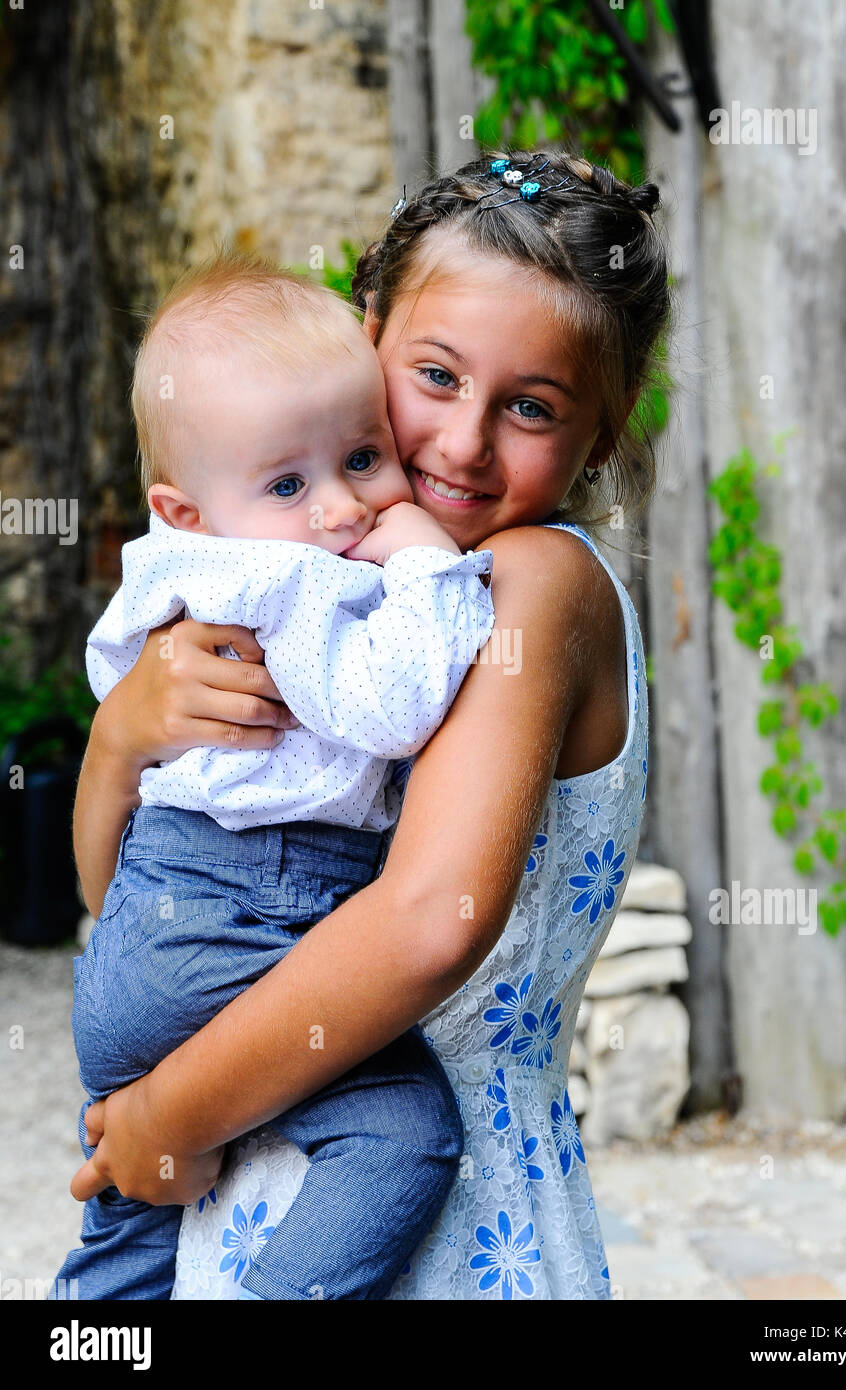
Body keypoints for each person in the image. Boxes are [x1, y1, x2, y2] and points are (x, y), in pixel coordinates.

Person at [67, 150, 668, 1299]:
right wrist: (120, 736)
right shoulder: (319, 584)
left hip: (448, 1224)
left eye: (531, 408)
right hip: (252, 1185)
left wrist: (158, 1114)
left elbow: (430, 916)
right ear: (366, 331)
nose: (459, 443)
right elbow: (116, 901)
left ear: (602, 431)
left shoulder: (526, 586)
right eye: (433, 376)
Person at [53, 254, 498, 1301]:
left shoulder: (185, 570)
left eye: (360, 456)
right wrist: (430, 562)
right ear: (186, 510)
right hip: (249, 916)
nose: (343, 509)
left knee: (131, 1228)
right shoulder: (282, 583)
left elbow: (110, 839)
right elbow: (390, 706)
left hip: (149, 945)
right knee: (406, 1132)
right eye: (289, 483)